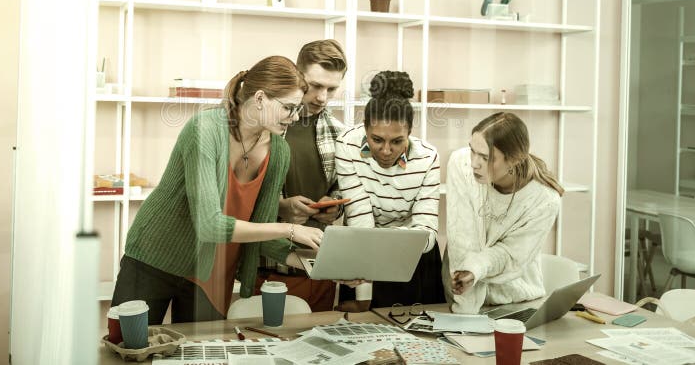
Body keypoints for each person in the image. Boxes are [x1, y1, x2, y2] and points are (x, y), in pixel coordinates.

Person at [111, 56, 324, 324]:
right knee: (128, 344)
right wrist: (290, 229)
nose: (295, 118)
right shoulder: (205, 130)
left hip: (210, 271)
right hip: (155, 258)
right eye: (289, 108)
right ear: (260, 98)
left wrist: (322, 264)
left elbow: (264, 234)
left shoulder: (279, 151)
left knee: (203, 348)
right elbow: (209, 225)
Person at [335, 71, 445, 310]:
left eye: (397, 141)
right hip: (364, 243)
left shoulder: (427, 157)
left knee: (418, 323)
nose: (386, 150)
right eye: (376, 140)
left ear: (409, 133)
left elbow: (426, 230)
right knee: (361, 323)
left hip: (414, 253)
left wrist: (395, 244)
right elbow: (360, 215)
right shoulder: (347, 145)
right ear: (365, 129)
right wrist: (365, 290)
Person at [257, 39, 347, 312]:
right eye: (316, 85)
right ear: (298, 75)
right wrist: (281, 207)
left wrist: (334, 207)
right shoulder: (265, 127)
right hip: (267, 263)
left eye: (331, 89)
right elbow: (241, 195)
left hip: (320, 263)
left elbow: (342, 187)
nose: (322, 97)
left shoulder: (341, 133)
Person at [443, 112, 564, 314]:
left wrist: (476, 269)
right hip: (462, 298)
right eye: (473, 151)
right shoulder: (460, 164)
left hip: (515, 301)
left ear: (514, 160)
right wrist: (465, 312)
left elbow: (511, 254)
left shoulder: (545, 200)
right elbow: (462, 239)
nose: (474, 163)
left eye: (486, 158)